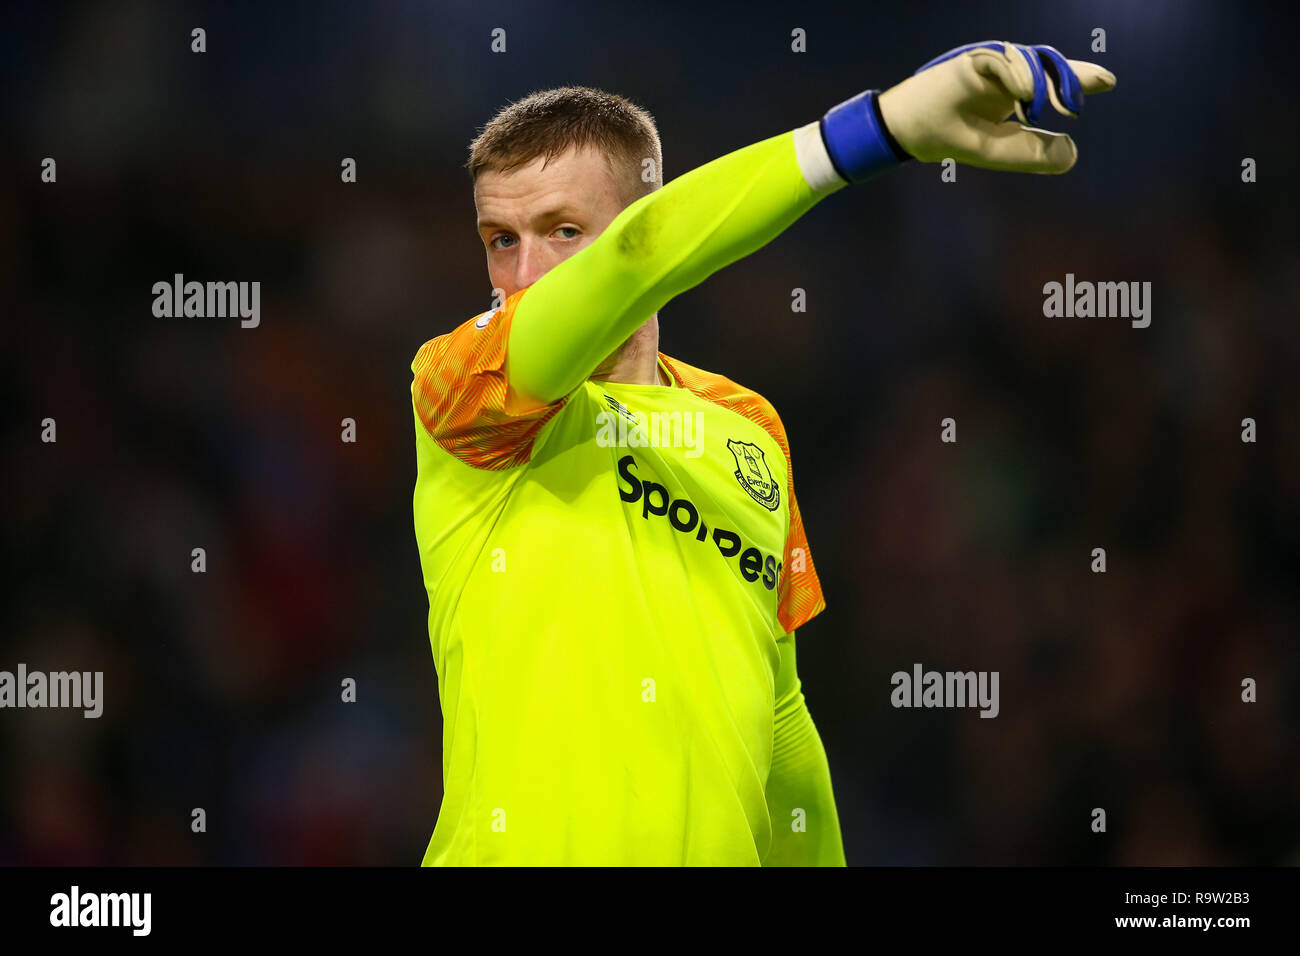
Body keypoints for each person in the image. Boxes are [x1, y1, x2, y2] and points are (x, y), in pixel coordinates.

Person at [410, 41, 1116, 865]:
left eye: (565, 232)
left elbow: (780, 719)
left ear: (650, 215)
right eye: (500, 239)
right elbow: (631, 264)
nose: (525, 274)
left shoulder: (747, 426)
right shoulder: (464, 389)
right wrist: (870, 133)